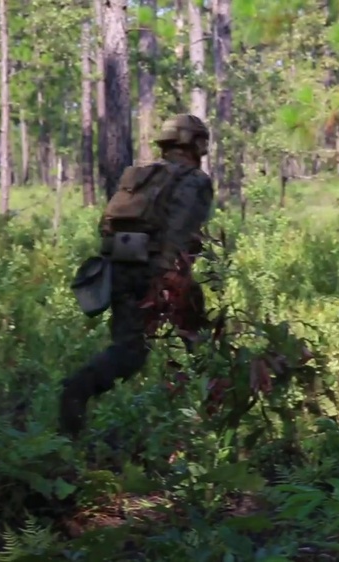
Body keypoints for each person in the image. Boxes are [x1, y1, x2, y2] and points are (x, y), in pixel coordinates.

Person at [59, 114, 215, 437]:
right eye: (201, 141)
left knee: (131, 349)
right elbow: (179, 233)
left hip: (120, 270)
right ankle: (211, 427)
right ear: (192, 143)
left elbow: (108, 224)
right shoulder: (193, 181)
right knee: (200, 346)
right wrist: (168, 278)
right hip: (157, 275)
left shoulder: (142, 176)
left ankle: (77, 398)